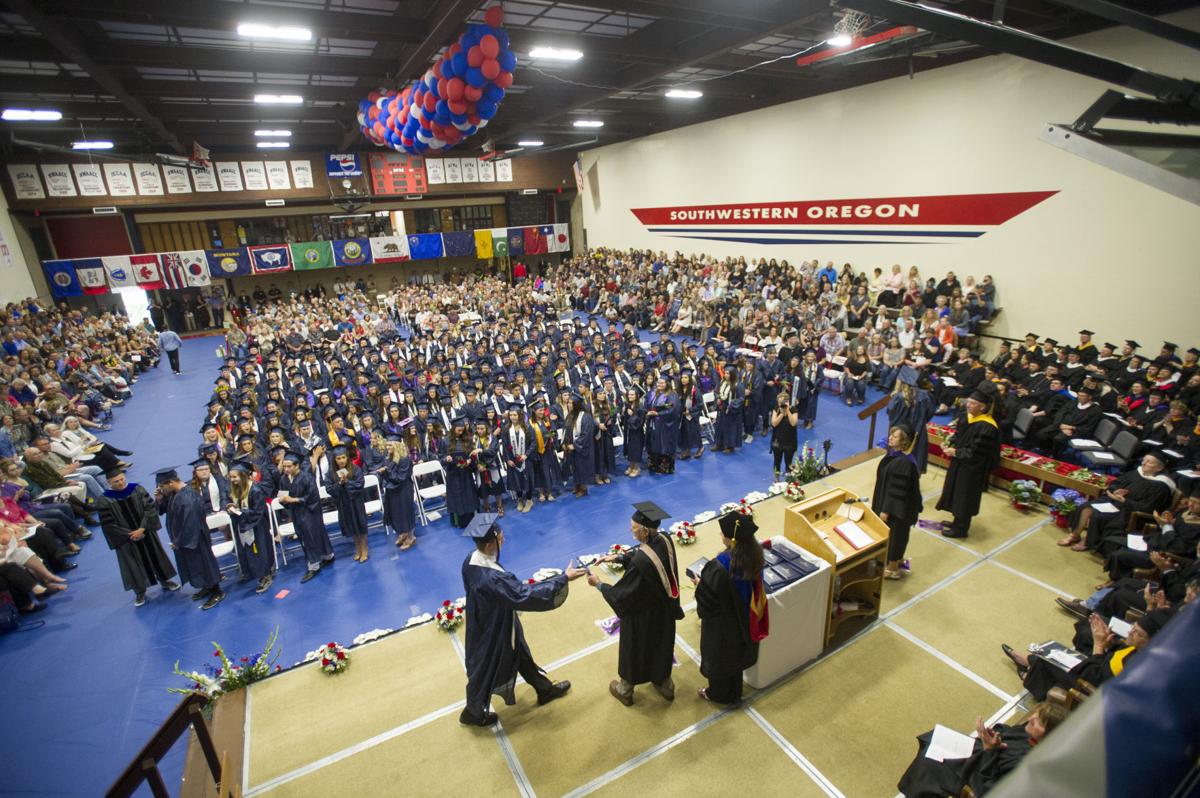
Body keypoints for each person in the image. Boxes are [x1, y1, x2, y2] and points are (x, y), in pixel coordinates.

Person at [459, 513, 586, 726]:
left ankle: (544, 690)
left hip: (487, 618)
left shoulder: (470, 560)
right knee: (485, 665)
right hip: (493, 628)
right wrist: (563, 579)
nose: (504, 540)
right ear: (490, 545)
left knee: (520, 652)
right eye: (501, 538)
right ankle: (472, 712)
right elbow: (523, 595)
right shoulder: (492, 578)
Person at [590, 502, 685, 706]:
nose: (630, 530)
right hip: (664, 612)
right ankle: (664, 685)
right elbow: (645, 555)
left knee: (635, 648)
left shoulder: (641, 563)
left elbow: (621, 596)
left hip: (642, 616)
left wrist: (599, 585)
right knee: (661, 645)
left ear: (643, 531)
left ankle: (625, 690)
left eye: (633, 528)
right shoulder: (665, 540)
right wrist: (618, 557)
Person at [897, 702, 1069, 798]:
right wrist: (992, 734)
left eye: (1039, 721)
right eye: (1035, 714)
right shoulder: (1031, 736)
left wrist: (990, 750)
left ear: (1049, 733)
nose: (1031, 718)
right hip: (981, 755)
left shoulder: (1030, 764)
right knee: (934, 737)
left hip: (978, 775)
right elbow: (1009, 732)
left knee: (930, 761)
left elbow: (991, 789)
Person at [1001, 609, 1172, 700]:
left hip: (1095, 690)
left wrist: (1099, 646)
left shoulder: (1139, 666)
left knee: (1048, 659)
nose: (1131, 632)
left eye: (1139, 634)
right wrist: (1107, 643)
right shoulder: (1143, 650)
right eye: (1134, 626)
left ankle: (1029, 667)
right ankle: (1032, 665)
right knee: (1085, 632)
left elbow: (1094, 679)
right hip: (1102, 666)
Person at [692, 511, 769, 704]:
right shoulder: (754, 555)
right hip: (744, 619)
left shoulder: (719, 567)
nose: (721, 536)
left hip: (723, 623)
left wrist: (700, 584)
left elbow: (707, 602)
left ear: (731, 538)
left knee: (721, 660)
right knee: (736, 658)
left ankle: (717, 694)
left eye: (722, 533)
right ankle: (735, 691)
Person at [97, 466, 179, 606]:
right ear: (108, 483)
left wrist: (142, 528)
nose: (121, 483)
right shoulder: (104, 500)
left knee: (155, 556)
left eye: (122, 479)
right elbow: (108, 524)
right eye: (116, 481)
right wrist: (130, 534)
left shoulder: (137, 489)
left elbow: (150, 508)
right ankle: (140, 591)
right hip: (126, 539)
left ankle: (165, 580)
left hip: (146, 532)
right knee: (132, 564)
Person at [155, 467, 224, 610]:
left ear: (171, 483)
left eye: (162, 486)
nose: (161, 489)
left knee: (205, 565)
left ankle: (217, 591)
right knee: (197, 566)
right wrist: (160, 499)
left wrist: (178, 541)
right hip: (188, 539)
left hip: (195, 539)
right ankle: (207, 587)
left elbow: (190, 523)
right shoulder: (176, 494)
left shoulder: (188, 498)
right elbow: (165, 510)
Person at [936, 389, 1001, 539]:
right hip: (960, 464)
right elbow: (958, 435)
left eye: (973, 403)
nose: (968, 405)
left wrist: (957, 452)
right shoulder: (967, 418)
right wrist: (948, 443)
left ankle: (961, 528)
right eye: (969, 402)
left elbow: (979, 452)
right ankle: (956, 521)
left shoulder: (988, 427)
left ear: (983, 407)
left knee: (965, 496)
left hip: (972, 468)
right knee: (956, 493)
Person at [274, 451, 335, 582]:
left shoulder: (306, 478)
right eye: (284, 466)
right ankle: (327, 557)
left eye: (289, 466)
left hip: (310, 513)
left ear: (297, 466)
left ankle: (314, 566)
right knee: (306, 536)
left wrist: (294, 500)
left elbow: (313, 498)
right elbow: (283, 496)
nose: (286, 469)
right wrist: (283, 501)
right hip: (297, 514)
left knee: (313, 536)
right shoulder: (284, 479)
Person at [873, 425, 924, 579]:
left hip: (896, 509)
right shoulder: (899, 457)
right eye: (890, 435)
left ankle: (893, 567)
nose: (890, 438)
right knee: (896, 535)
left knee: (895, 535)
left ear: (904, 442)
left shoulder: (903, 462)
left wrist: (886, 510)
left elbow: (897, 489)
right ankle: (893, 561)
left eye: (894, 436)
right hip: (896, 505)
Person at [226, 460, 275, 594]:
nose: (232, 479)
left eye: (235, 477)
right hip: (244, 525)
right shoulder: (237, 489)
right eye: (230, 477)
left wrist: (240, 512)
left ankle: (266, 575)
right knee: (250, 552)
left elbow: (258, 512)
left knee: (260, 551)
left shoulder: (255, 490)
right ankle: (254, 572)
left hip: (257, 527)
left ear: (243, 476)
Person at [325, 445, 370, 563]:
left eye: (343, 457)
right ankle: (358, 549)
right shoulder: (331, 473)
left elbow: (360, 484)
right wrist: (339, 484)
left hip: (356, 502)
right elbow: (329, 489)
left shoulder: (355, 469)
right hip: (343, 504)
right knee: (351, 526)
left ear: (347, 457)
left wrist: (347, 482)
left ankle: (364, 548)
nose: (341, 460)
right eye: (338, 458)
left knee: (360, 525)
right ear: (334, 459)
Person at [886, 367, 935, 473]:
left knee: (899, 455)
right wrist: (920, 422)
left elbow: (891, 413)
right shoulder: (925, 396)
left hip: (901, 432)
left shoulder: (898, 398)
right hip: (918, 431)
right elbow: (930, 412)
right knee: (916, 454)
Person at [378, 433, 417, 549]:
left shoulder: (404, 459)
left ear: (397, 445)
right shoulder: (388, 458)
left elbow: (401, 478)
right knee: (395, 512)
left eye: (391, 445)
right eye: (387, 445)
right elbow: (389, 475)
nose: (388, 448)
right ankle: (403, 533)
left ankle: (411, 536)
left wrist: (387, 471)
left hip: (403, 489)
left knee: (405, 513)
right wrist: (384, 472)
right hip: (392, 489)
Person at [769, 391, 798, 479]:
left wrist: (788, 411)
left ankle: (788, 479)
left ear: (787, 402)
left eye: (782, 402)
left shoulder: (793, 409)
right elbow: (774, 423)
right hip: (777, 441)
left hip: (789, 442)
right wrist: (781, 413)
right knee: (777, 462)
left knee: (788, 463)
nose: (780, 404)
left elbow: (793, 423)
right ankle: (776, 479)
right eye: (779, 402)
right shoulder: (776, 409)